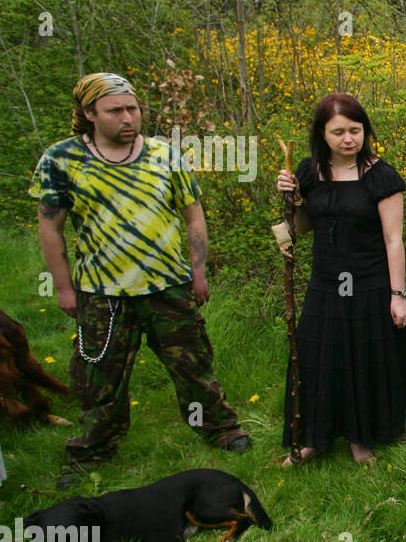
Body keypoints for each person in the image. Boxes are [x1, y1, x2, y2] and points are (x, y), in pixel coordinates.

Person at [30, 72, 250, 490]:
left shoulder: (163, 155)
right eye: (116, 110)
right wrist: (63, 287)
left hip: (168, 286)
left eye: (133, 108)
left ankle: (222, 429)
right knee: (99, 377)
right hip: (103, 292)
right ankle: (93, 449)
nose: (128, 117)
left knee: (193, 365)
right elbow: (50, 228)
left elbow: (193, 214)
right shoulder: (61, 160)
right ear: (90, 113)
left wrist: (198, 271)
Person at [275, 93, 406, 464]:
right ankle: (314, 438)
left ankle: (360, 439)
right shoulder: (307, 172)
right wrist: (294, 199)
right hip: (325, 281)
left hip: (369, 281)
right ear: (322, 134)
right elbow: (302, 229)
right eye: (339, 132)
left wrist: (397, 294)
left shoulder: (381, 175)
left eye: (356, 130)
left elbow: (393, 239)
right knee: (317, 356)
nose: (349, 139)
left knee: (362, 357)